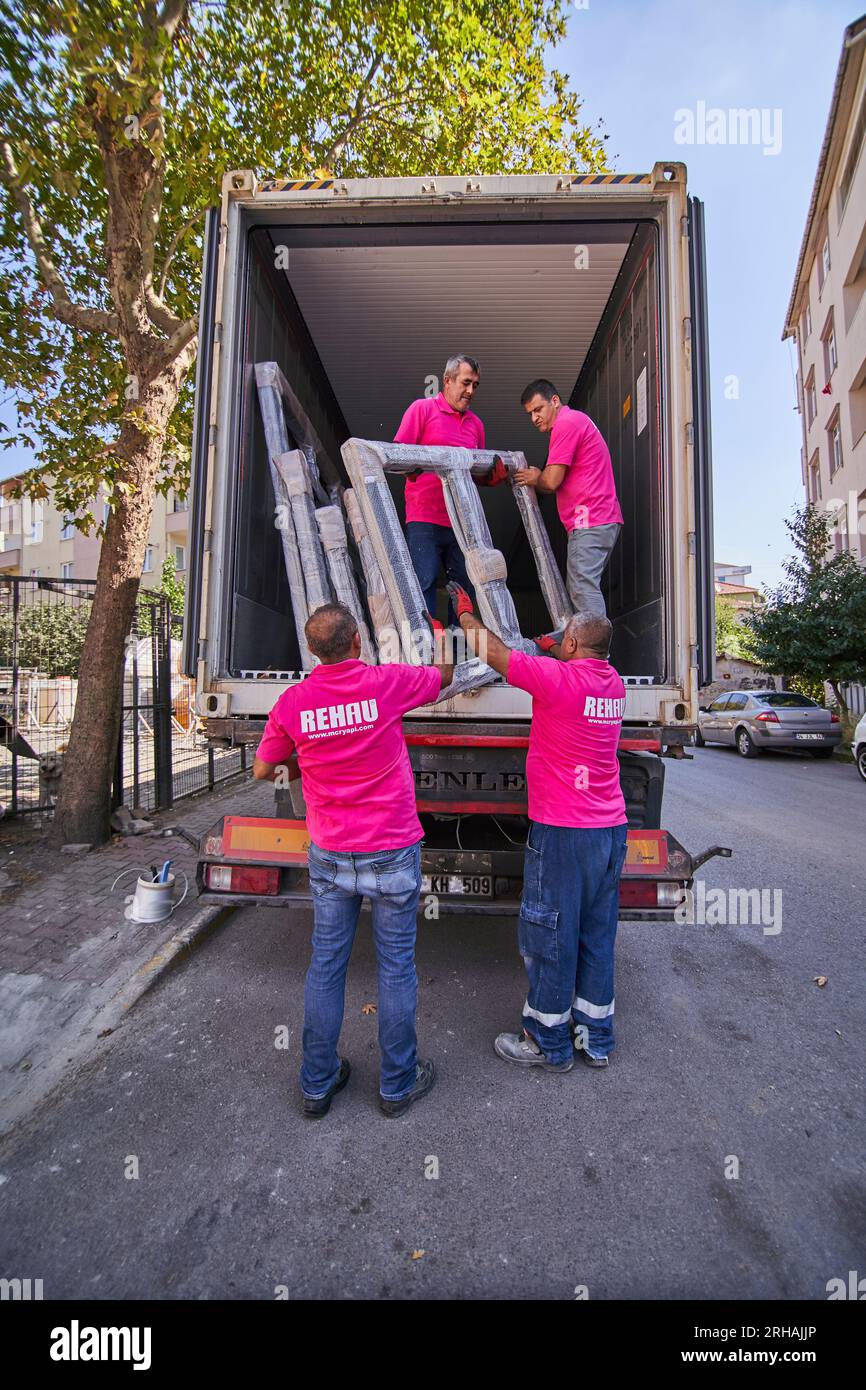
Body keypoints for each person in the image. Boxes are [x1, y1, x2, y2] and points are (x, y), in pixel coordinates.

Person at [253, 603, 453, 1119]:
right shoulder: (385, 684)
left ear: (313, 650)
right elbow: (444, 677)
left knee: (326, 966)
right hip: (391, 848)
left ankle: (317, 1085)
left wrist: (309, 751)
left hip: (331, 854)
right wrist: (444, 632)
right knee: (395, 968)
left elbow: (262, 770)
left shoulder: (293, 703)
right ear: (358, 641)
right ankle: (396, 1085)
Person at [447, 580, 629, 1070]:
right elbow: (574, 651)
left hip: (565, 833)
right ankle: (596, 1038)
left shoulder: (558, 681)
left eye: (564, 637)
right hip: (609, 829)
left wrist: (466, 615)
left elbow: (494, 654)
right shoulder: (613, 684)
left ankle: (546, 1041)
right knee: (596, 933)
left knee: (550, 934)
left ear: (571, 645)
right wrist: (556, 643)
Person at [396, 353, 506, 626]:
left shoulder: (475, 425)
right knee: (425, 580)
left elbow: (475, 473)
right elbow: (396, 454)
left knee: (464, 587)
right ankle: (426, 653)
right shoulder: (422, 410)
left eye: (475, 385)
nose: (470, 391)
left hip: (463, 522)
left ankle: (460, 654)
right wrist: (412, 466)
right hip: (424, 517)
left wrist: (491, 477)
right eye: (466, 383)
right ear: (447, 380)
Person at [514, 380, 623, 621]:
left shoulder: (566, 423)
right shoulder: (575, 421)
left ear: (554, 401)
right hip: (597, 519)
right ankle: (592, 652)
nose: (534, 418)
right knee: (582, 587)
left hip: (590, 520)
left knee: (583, 588)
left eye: (538, 409)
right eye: (530, 413)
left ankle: (597, 656)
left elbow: (551, 482)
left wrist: (535, 477)